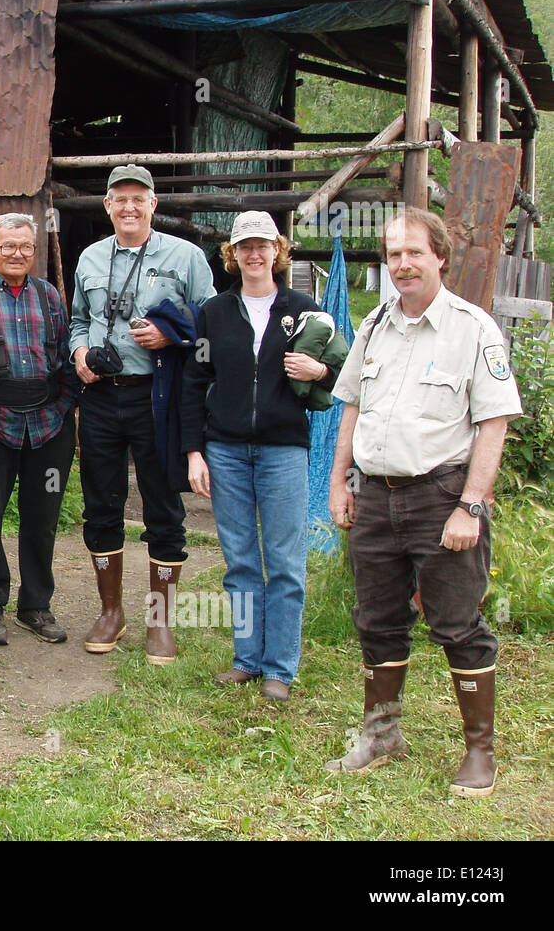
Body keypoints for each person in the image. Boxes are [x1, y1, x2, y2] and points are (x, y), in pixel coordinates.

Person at [325, 206, 520, 797]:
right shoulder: (376, 326)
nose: (402, 264)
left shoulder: (473, 328)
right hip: (376, 498)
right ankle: (382, 735)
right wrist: (340, 481)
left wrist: (472, 506)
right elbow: (351, 407)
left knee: (458, 625)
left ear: (439, 256)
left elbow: (493, 423)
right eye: (393, 255)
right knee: (378, 621)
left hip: (442, 498)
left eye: (414, 252)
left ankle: (479, 751)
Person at [181, 212, 346, 702]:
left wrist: (319, 370)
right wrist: (194, 451)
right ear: (233, 254)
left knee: (286, 561)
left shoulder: (305, 310)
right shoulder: (214, 312)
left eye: (263, 245)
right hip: (226, 450)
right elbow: (195, 383)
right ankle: (247, 659)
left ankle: (280, 667)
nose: (254, 255)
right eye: (244, 247)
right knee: (240, 562)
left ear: (278, 250)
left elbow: (341, 373)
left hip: (283, 449)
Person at [70, 164, 215, 662]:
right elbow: (77, 322)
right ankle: (112, 612)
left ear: (154, 204)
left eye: (139, 198)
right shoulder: (89, 258)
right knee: (101, 502)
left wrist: (172, 335)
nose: (129, 207)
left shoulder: (186, 256)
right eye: (119, 199)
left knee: (162, 506)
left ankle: (160, 620)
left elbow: (212, 320)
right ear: (106, 206)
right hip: (101, 397)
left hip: (159, 395)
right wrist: (80, 357)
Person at [0, 213, 76, 646]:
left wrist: (65, 409)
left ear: (33, 251)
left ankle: (36, 606)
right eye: (8, 246)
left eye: (25, 247)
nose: (17, 254)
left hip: (48, 426)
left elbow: (63, 356)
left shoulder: (49, 296)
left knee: (43, 519)